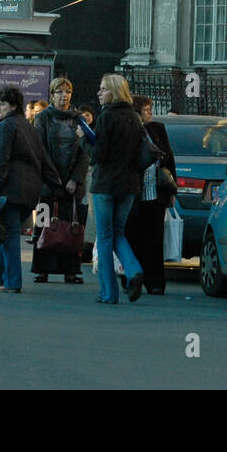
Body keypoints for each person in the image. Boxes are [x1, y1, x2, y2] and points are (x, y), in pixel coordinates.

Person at [0, 86, 62, 293]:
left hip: (9, 189)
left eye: (3, 104)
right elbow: (43, 159)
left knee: (8, 236)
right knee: (7, 233)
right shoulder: (30, 128)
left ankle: (13, 281)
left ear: (14, 106)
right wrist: (55, 184)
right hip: (30, 191)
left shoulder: (5, 127)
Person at [90, 73, 145, 305]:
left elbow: (98, 155)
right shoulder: (135, 118)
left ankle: (108, 293)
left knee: (104, 237)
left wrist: (84, 139)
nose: (99, 93)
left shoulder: (106, 118)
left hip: (106, 183)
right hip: (130, 183)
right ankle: (133, 270)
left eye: (103, 89)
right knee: (119, 233)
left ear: (114, 91)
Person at [31, 78, 88, 284]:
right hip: (48, 181)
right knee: (44, 223)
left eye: (68, 92)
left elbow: (85, 152)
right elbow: (40, 149)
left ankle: (70, 271)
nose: (64, 96)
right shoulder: (43, 118)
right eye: (60, 92)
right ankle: (42, 269)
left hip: (72, 183)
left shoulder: (78, 119)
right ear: (52, 94)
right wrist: (53, 178)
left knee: (71, 225)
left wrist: (75, 179)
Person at [126, 95, 178, 295]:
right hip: (134, 192)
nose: (150, 113)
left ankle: (155, 282)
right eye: (146, 110)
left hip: (155, 191)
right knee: (133, 236)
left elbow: (169, 158)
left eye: (150, 109)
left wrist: (173, 190)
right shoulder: (130, 130)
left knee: (155, 239)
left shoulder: (158, 129)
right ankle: (132, 277)